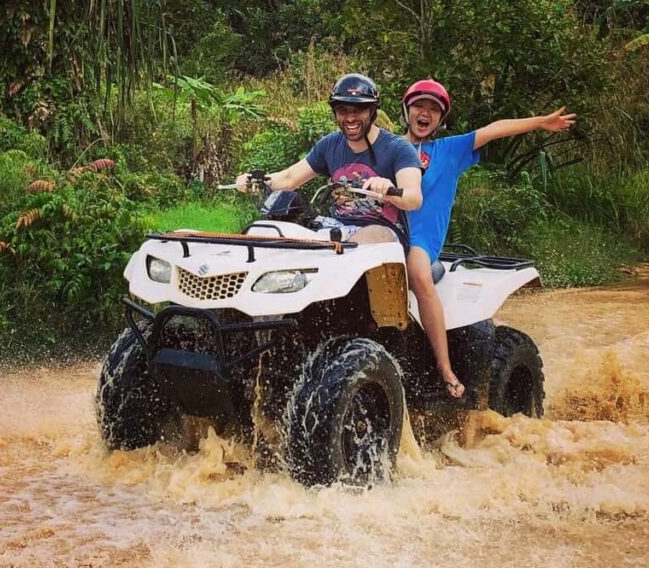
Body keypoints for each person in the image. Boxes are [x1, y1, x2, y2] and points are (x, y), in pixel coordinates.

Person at [401, 79, 576, 398]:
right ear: (407, 110)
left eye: (433, 109)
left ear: (441, 118)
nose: (425, 113)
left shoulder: (450, 150)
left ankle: (445, 369)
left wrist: (540, 122)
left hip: (422, 241)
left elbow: (496, 129)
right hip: (387, 235)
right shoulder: (389, 148)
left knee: (418, 275)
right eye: (419, 106)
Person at [236, 73, 423, 247]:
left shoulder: (399, 148)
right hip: (337, 227)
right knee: (277, 225)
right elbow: (289, 179)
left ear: (372, 111)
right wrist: (256, 181)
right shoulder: (330, 144)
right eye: (342, 110)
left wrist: (387, 190)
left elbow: (414, 199)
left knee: (369, 237)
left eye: (358, 110)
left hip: (384, 232)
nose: (350, 118)